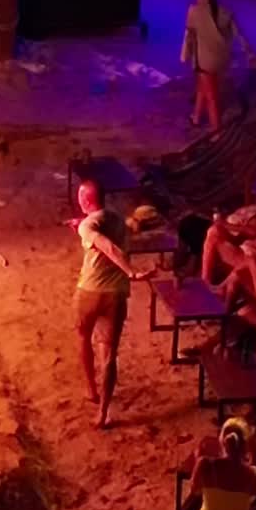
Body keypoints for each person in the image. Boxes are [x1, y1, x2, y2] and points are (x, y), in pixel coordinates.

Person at [67, 180, 151, 429]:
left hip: (91, 291)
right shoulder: (116, 220)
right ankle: (103, 411)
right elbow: (106, 239)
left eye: (81, 196)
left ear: (86, 200)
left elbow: (107, 247)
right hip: (115, 294)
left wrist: (131, 271)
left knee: (83, 336)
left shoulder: (87, 225)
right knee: (110, 354)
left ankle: (91, 390)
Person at [181, 0, 254, 133]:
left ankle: (217, 132)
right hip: (221, 59)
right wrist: (249, 53)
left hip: (205, 61)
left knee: (211, 96)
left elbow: (189, 37)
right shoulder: (224, 12)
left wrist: (184, 56)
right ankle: (196, 117)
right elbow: (238, 34)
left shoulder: (194, 11)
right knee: (202, 86)